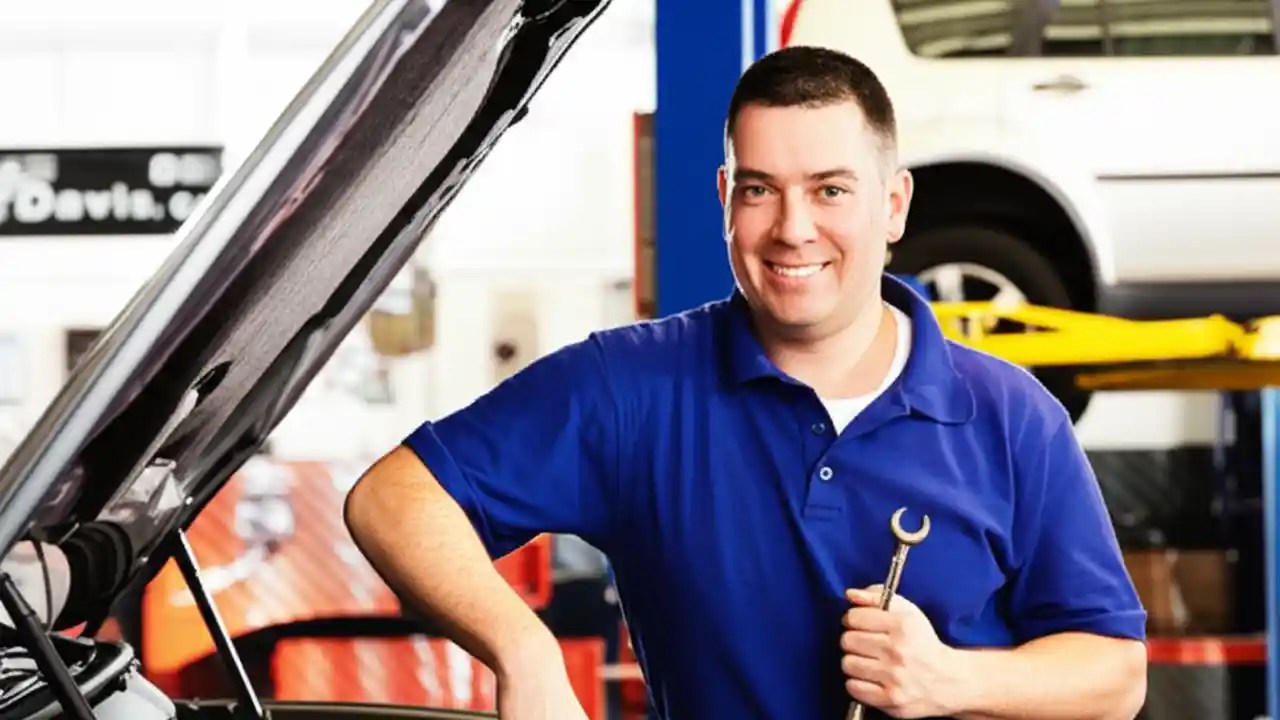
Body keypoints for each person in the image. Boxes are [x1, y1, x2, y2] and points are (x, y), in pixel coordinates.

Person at [344, 45, 1149, 720]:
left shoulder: (1011, 417)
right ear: (726, 200)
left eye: (831, 189)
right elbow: (393, 500)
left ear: (894, 204)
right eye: (761, 190)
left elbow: (1115, 672)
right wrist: (523, 651)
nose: (794, 229)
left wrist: (950, 679)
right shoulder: (630, 389)